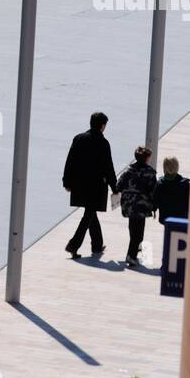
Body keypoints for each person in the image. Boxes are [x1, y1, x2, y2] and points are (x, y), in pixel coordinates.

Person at [64, 112, 119, 258]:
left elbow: (70, 161)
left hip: (79, 184)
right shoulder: (103, 143)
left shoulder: (79, 138)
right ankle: (73, 244)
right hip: (96, 187)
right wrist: (114, 187)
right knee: (88, 214)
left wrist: (67, 181)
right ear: (102, 125)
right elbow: (109, 167)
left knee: (90, 212)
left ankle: (97, 245)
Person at [117, 145, 158, 267]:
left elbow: (118, 186)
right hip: (142, 206)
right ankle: (131, 256)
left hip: (129, 205)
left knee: (133, 230)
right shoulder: (150, 173)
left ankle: (133, 252)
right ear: (147, 159)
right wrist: (155, 207)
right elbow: (153, 192)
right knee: (139, 232)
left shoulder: (128, 171)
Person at [153, 156, 190, 222]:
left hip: (166, 217)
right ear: (177, 167)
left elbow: (155, 200)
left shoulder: (160, 184)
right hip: (182, 217)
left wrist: (154, 209)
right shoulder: (186, 184)